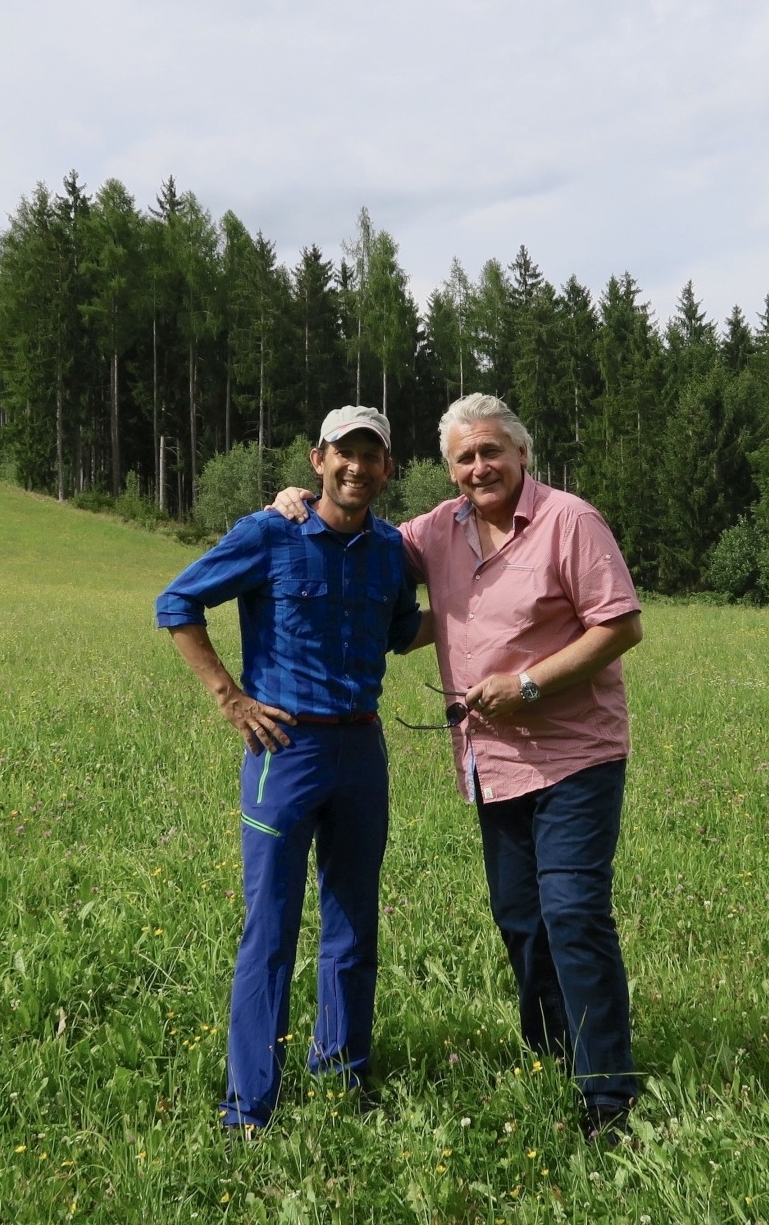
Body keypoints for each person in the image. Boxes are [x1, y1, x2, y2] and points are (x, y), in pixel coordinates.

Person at [274, 393, 644, 1140]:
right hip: (492, 760)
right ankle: (555, 1053)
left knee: (572, 911)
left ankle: (607, 1093)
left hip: (575, 753)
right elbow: (360, 533)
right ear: (449, 470)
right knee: (522, 920)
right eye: (465, 457)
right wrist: (297, 503)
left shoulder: (570, 521)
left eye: (491, 452)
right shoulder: (436, 531)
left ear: (522, 455)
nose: (480, 467)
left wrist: (528, 683)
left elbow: (620, 625)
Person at [157, 406, 425, 1132]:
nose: (356, 467)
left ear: (387, 469)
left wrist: (501, 620)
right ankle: (250, 1106)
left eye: (371, 455)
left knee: (354, 925)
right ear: (318, 459)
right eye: (344, 452)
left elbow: (405, 630)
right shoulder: (270, 532)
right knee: (270, 929)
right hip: (284, 752)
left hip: (361, 751)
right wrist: (230, 697)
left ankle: (341, 1081)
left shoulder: (390, 550)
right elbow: (176, 601)